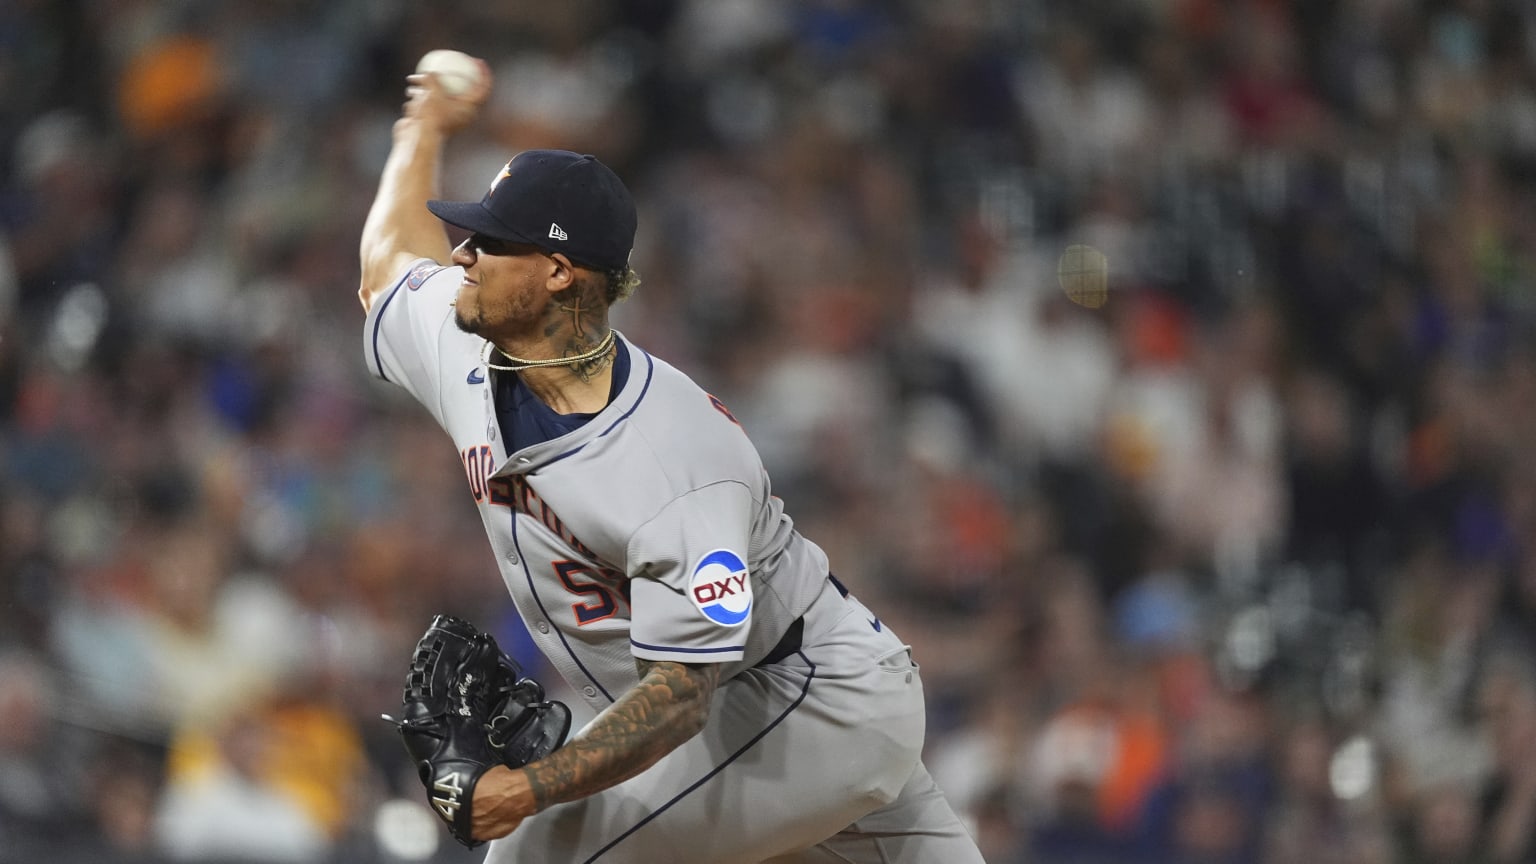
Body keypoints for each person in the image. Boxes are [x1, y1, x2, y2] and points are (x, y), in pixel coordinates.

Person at [356, 56, 985, 863]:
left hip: (807, 702)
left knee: (539, 851)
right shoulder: (472, 342)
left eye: (491, 239)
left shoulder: (675, 459)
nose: (463, 253)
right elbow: (388, 267)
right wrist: (423, 127)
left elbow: (682, 698)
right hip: (743, 713)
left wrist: (524, 789)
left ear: (557, 273)